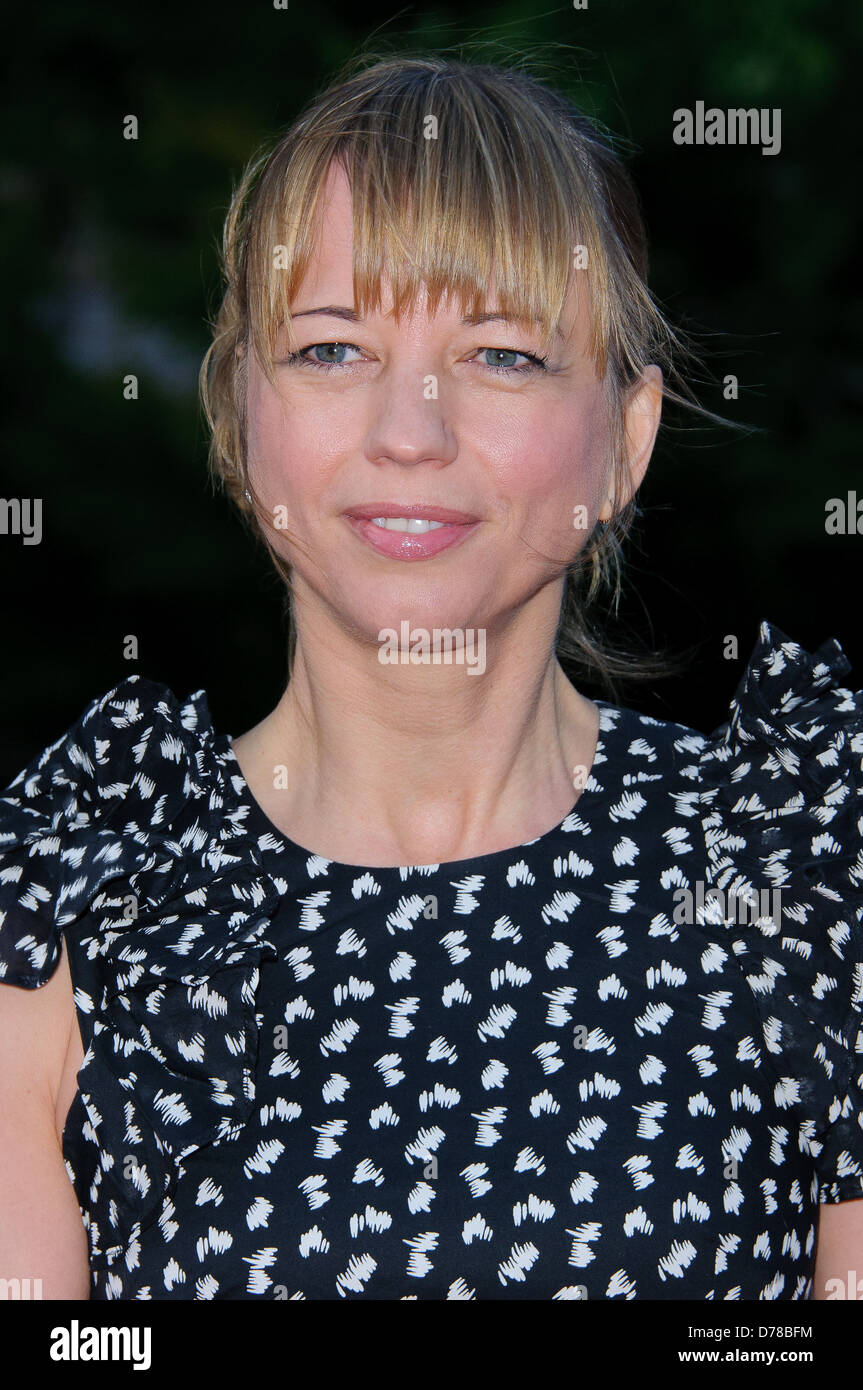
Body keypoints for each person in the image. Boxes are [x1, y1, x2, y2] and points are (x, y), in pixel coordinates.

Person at [1, 52, 861, 1302]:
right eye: (333, 348)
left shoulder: (799, 866)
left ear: (623, 439)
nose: (410, 430)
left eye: (502, 354)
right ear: (241, 413)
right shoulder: (74, 904)